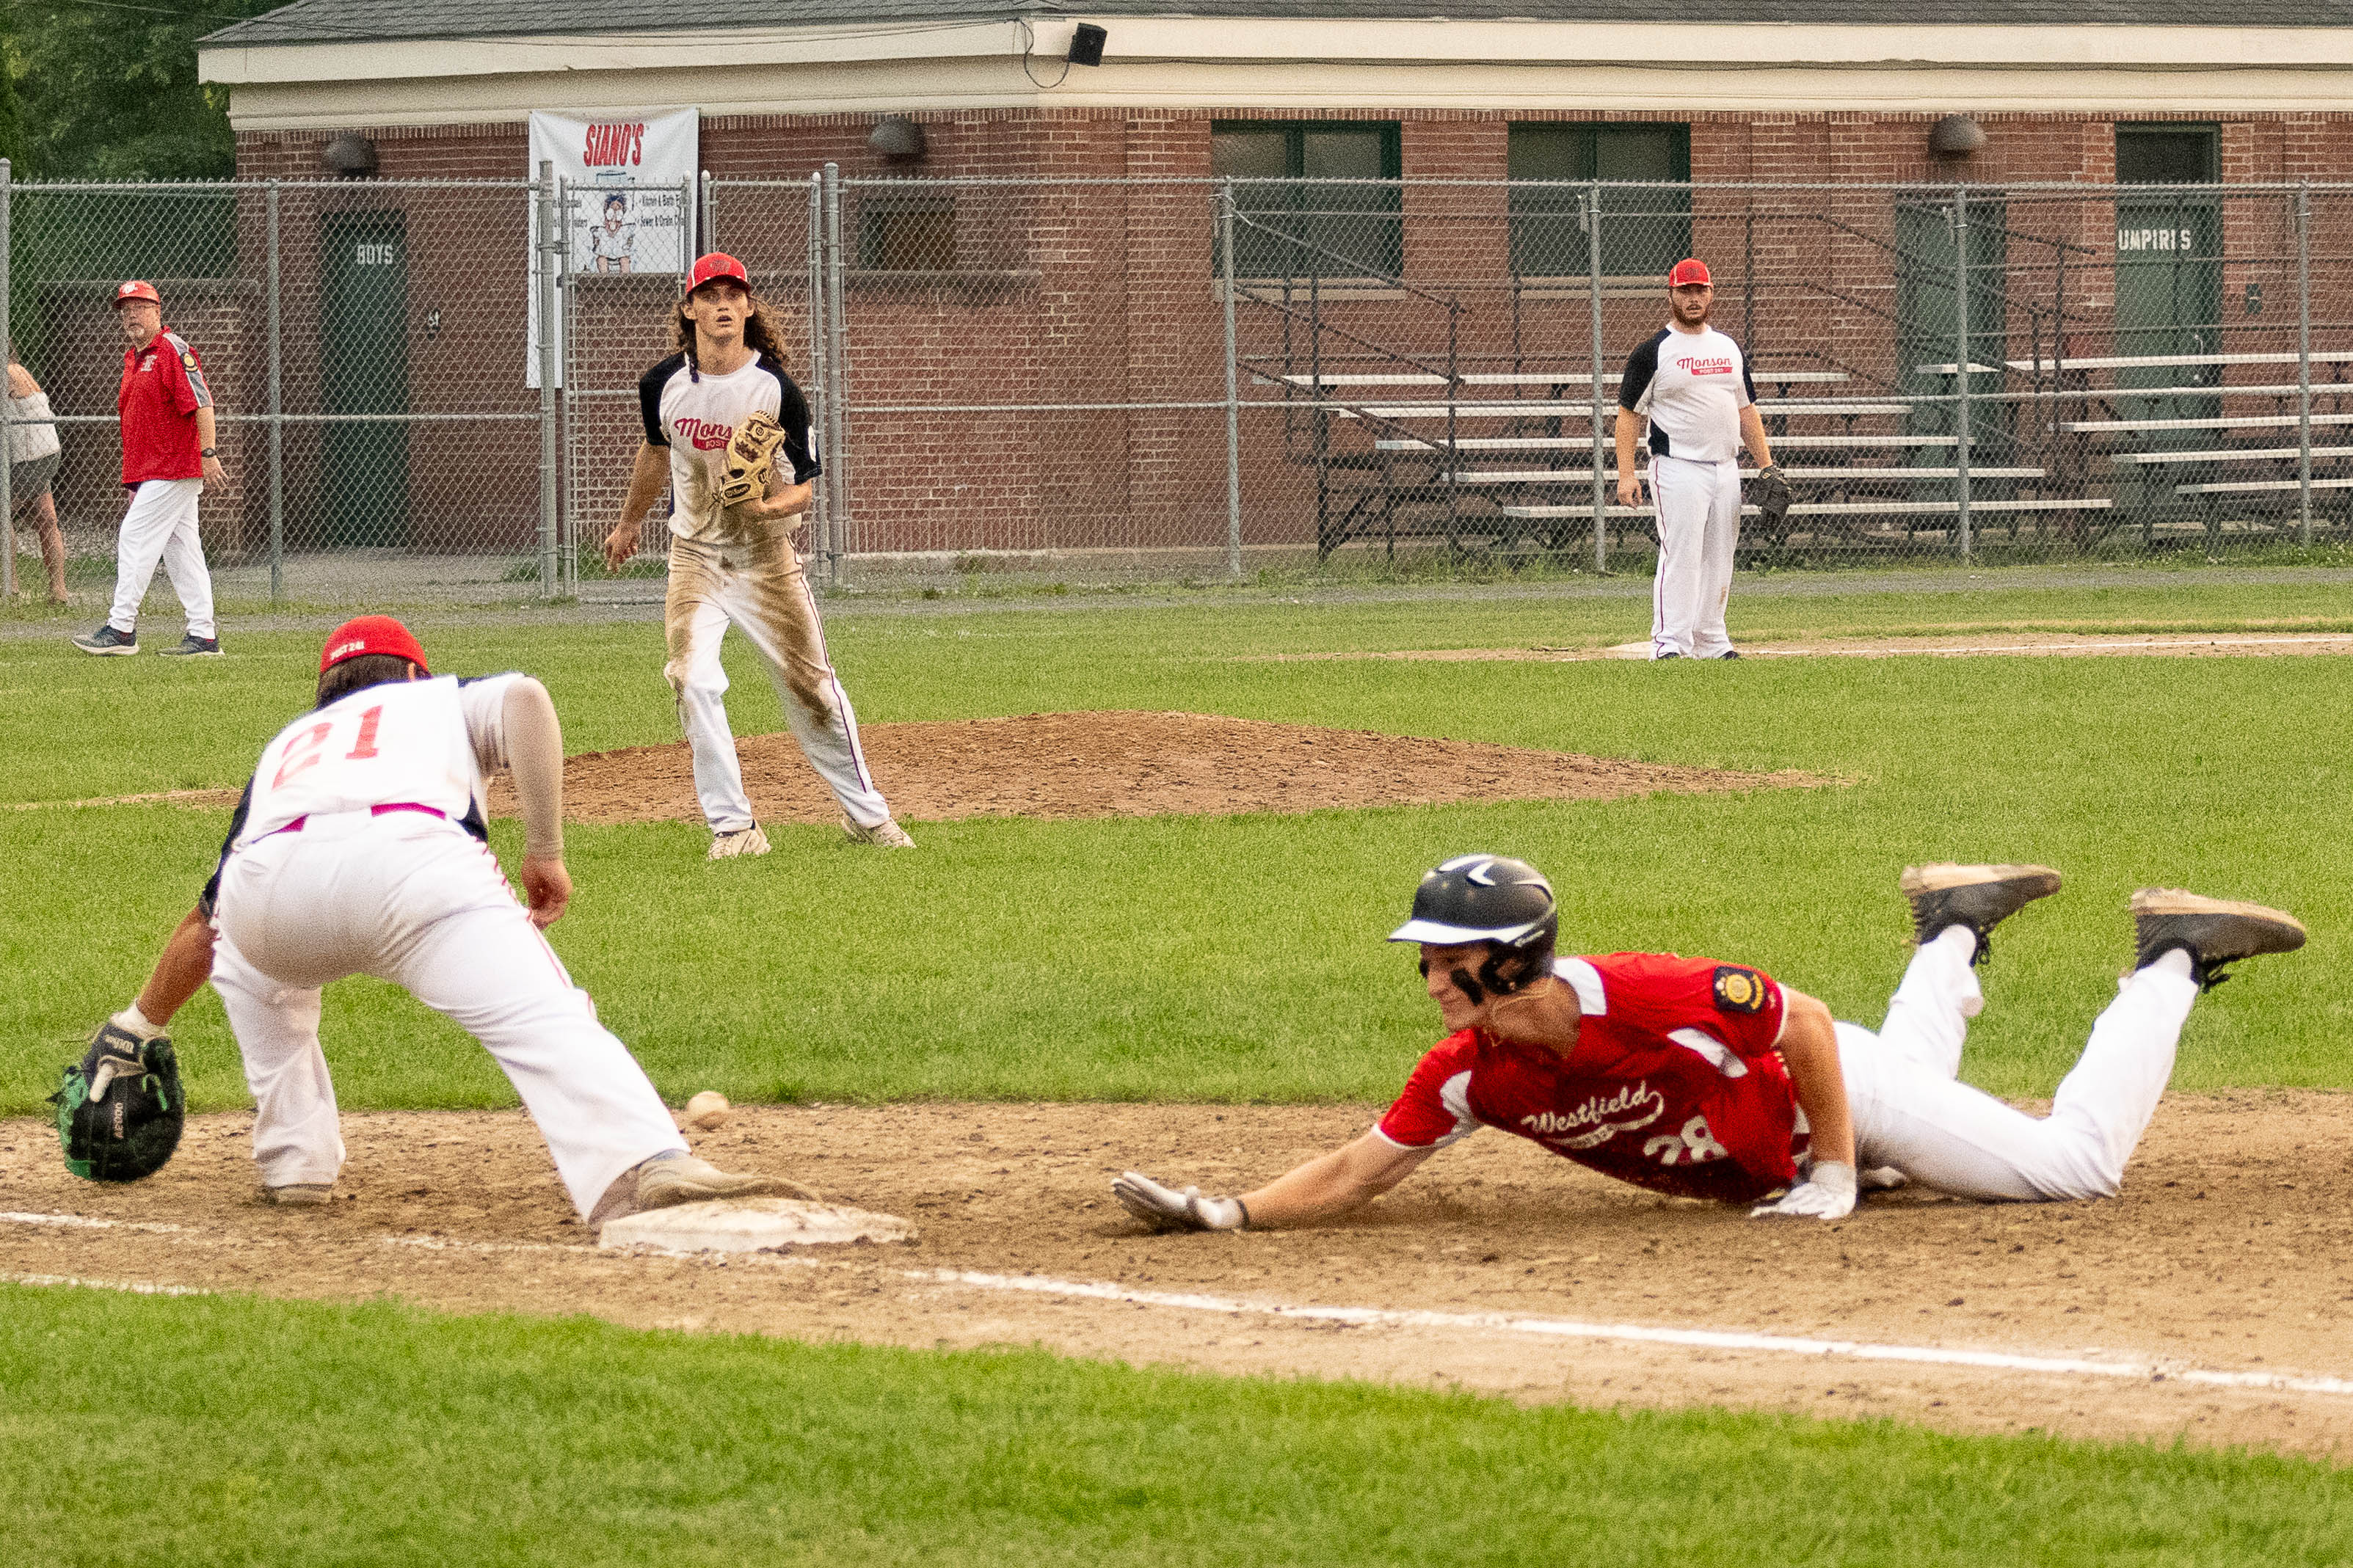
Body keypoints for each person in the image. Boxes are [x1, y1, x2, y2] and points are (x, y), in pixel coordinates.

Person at [1112, 856, 2305, 1233]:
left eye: (1444, 955)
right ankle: (1949, 930)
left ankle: (2169, 956)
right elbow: (1358, 1169)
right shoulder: (1472, 1072)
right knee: (1920, 1093)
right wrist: (1230, 1212)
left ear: (1512, 959)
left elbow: (1808, 1027)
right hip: (1793, 1131)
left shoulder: (1643, 992)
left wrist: (1836, 1174)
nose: (1426, 974)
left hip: (1825, 1101)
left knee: (2074, 1164)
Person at [90, 614, 802, 1222]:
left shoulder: (289, 747)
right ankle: (647, 1159)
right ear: (409, 677)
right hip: (413, 866)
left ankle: (295, 1163)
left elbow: (206, 924)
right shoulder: (432, 701)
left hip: (269, 891)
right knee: (542, 1013)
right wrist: (545, 852)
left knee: (247, 961)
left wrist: (137, 1022)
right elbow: (525, 700)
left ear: (325, 695)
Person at [603, 251, 912, 858]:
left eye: (733, 293)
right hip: (695, 557)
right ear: (689, 308)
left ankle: (866, 815)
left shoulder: (776, 389)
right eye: (708, 294)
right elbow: (655, 452)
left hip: (766, 560)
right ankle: (735, 828)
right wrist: (630, 522)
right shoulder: (662, 385)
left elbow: (803, 485)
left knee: (814, 690)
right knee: (692, 679)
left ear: (748, 306)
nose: (722, 303)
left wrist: (771, 509)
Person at [1614, 259, 1781, 662]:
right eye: (1684, 291)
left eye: (1700, 289)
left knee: (1721, 555)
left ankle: (1711, 639)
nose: (1693, 297)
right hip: (1677, 465)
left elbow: (1746, 410)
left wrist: (1767, 465)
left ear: (1712, 293)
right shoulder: (1653, 352)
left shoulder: (1727, 347)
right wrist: (1625, 474)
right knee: (1682, 553)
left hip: (1726, 467)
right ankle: (1670, 643)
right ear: (1670, 295)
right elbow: (1628, 414)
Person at [71, 280, 223, 657]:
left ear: (158, 312)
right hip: (154, 470)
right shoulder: (133, 358)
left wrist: (208, 452)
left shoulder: (172, 349)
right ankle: (203, 636)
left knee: (134, 537)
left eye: (140, 307)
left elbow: (202, 403)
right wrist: (136, 480)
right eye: (126, 310)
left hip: (174, 466)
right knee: (183, 551)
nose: (131, 315)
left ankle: (122, 628)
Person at [7, 348, 68, 604]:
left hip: (27, 459)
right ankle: (58, 590)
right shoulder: (20, 370)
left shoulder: (8, 373)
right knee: (47, 519)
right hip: (45, 455)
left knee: (4, 518)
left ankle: (10, 590)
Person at [589, 192, 636, 274]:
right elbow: (596, 249)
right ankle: (604, 282)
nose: (614, 215)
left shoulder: (625, 230)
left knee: (625, 261)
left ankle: (625, 282)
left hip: (621, 254)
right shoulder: (599, 231)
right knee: (601, 260)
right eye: (612, 211)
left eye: (618, 212)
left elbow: (628, 249)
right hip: (605, 255)